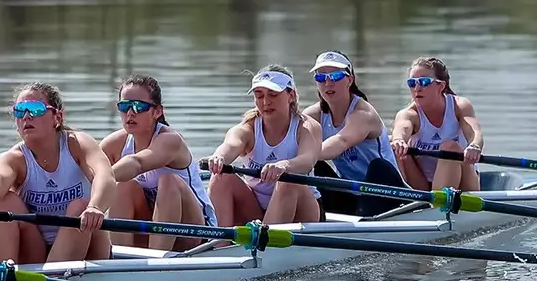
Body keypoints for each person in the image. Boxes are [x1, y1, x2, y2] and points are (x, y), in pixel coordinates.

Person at [0, 82, 115, 264]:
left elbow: (105, 177)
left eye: (35, 109)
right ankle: (1, 280)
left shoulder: (78, 145)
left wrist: (96, 207)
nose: (27, 116)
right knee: (2, 202)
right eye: (20, 111)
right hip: (35, 248)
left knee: (80, 207)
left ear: (57, 117)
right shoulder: (13, 159)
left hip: (87, 243)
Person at [100, 73, 217, 252]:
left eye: (139, 106)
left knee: (169, 181)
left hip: (194, 232)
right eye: (124, 106)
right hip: (152, 228)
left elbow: (137, 163)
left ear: (157, 112)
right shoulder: (114, 143)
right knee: (125, 186)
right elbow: (85, 167)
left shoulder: (171, 141)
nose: (130, 113)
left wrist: (102, 179)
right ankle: (120, 256)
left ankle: (157, 261)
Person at [204, 66, 323, 227]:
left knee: (288, 180)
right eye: (259, 96)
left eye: (273, 95)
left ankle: (266, 247)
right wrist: (219, 158)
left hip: (302, 210)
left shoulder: (307, 127)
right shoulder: (248, 128)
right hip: (256, 210)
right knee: (220, 176)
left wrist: (284, 165)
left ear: (291, 95)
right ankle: (219, 244)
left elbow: (307, 160)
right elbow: (230, 145)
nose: (266, 102)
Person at [306, 50, 408, 217]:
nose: (328, 83)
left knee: (379, 167)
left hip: (389, 192)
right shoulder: (313, 115)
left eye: (335, 76)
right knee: (315, 167)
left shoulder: (363, 114)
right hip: (352, 194)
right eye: (321, 77)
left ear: (349, 80)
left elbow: (342, 141)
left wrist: (301, 157)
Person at [390, 55, 484, 191]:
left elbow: (475, 133)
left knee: (449, 148)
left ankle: (439, 205)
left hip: (464, 184)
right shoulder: (409, 114)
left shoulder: (460, 106)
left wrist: (474, 146)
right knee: (393, 146)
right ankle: (428, 203)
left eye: (424, 82)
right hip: (422, 187)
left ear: (441, 86)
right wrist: (399, 140)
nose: (417, 88)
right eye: (412, 83)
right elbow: (401, 130)